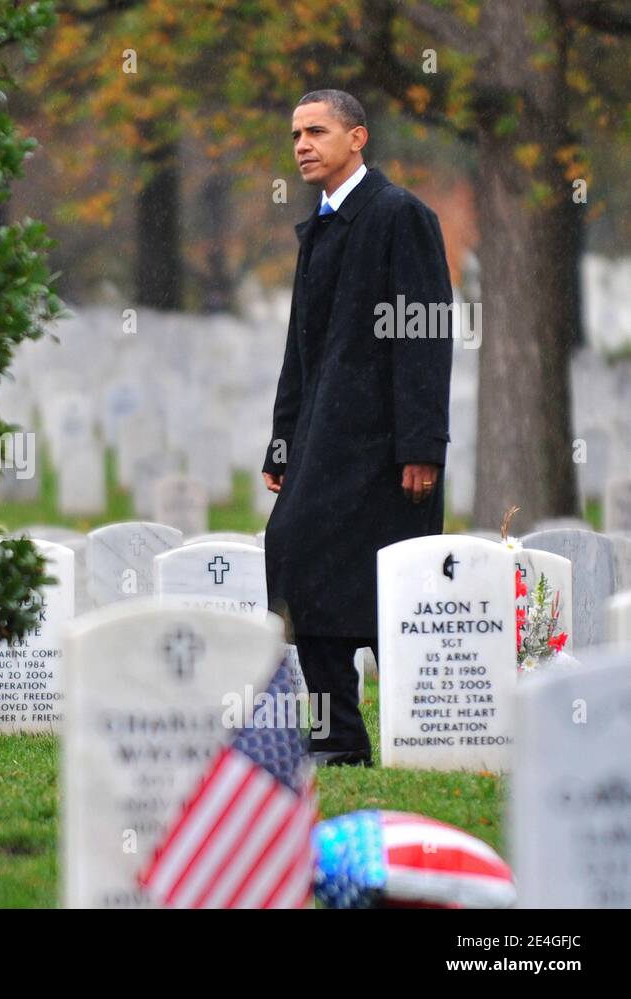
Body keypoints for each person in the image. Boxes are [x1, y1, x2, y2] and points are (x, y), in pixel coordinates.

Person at [262, 89, 454, 766]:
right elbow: (300, 347)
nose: (302, 146)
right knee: (297, 563)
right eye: (295, 135)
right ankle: (336, 736)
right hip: (322, 441)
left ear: (358, 138)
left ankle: (417, 731)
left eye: (316, 131)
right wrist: (283, 441)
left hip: (386, 449)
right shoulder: (319, 224)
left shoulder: (400, 215)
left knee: (384, 593)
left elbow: (426, 334)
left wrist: (422, 445)